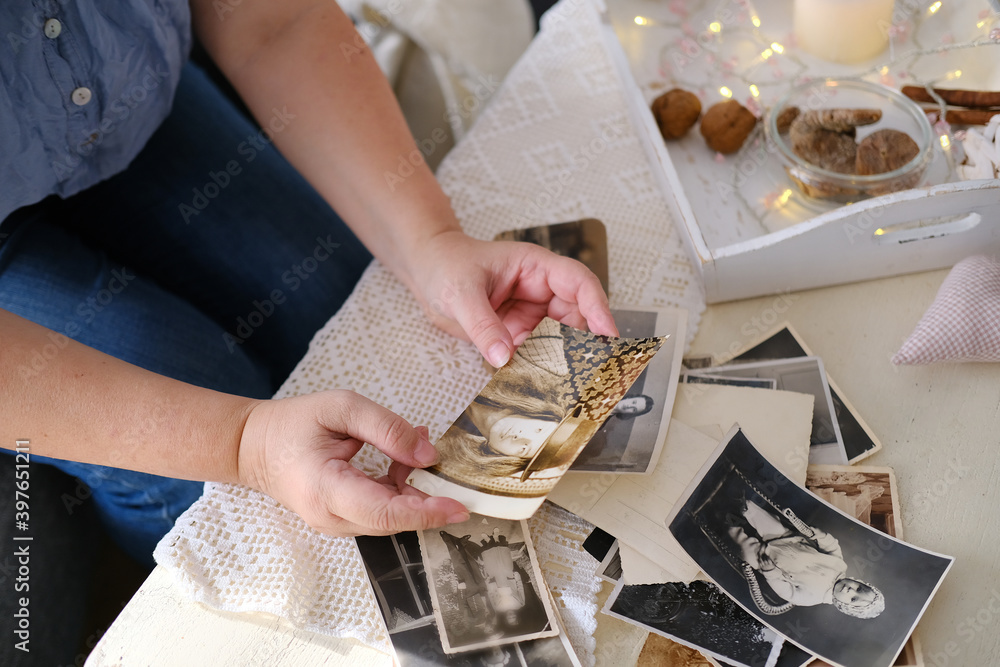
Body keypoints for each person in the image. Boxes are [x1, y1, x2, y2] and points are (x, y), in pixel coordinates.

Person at [0, 0, 618, 565]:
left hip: (129, 95)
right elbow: (239, 442)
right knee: (203, 479)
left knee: (340, 303)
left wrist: (430, 247)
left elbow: (274, 20)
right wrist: (246, 445)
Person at [728, 499, 885, 619]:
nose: (850, 590)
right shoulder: (839, 566)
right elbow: (831, 546)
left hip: (768, 561)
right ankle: (743, 505)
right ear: (858, 581)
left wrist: (770, 572)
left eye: (853, 598)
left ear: (844, 607)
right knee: (761, 516)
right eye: (858, 588)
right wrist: (814, 535)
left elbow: (786, 591)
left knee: (745, 550)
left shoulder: (812, 598)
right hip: (786, 538)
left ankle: (729, 525)